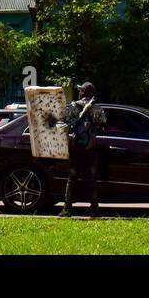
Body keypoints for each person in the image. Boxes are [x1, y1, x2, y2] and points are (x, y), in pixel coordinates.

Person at [54, 81, 106, 218]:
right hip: (91, 148)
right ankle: (94, 210)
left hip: (76, 147)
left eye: (80, 90)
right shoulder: (97, 108)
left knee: (72, 178)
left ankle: (67, 209)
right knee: (92, 179)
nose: (79, 92)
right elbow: (103, 125)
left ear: (83, 92)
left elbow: (63, 121)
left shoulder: (73, 106)